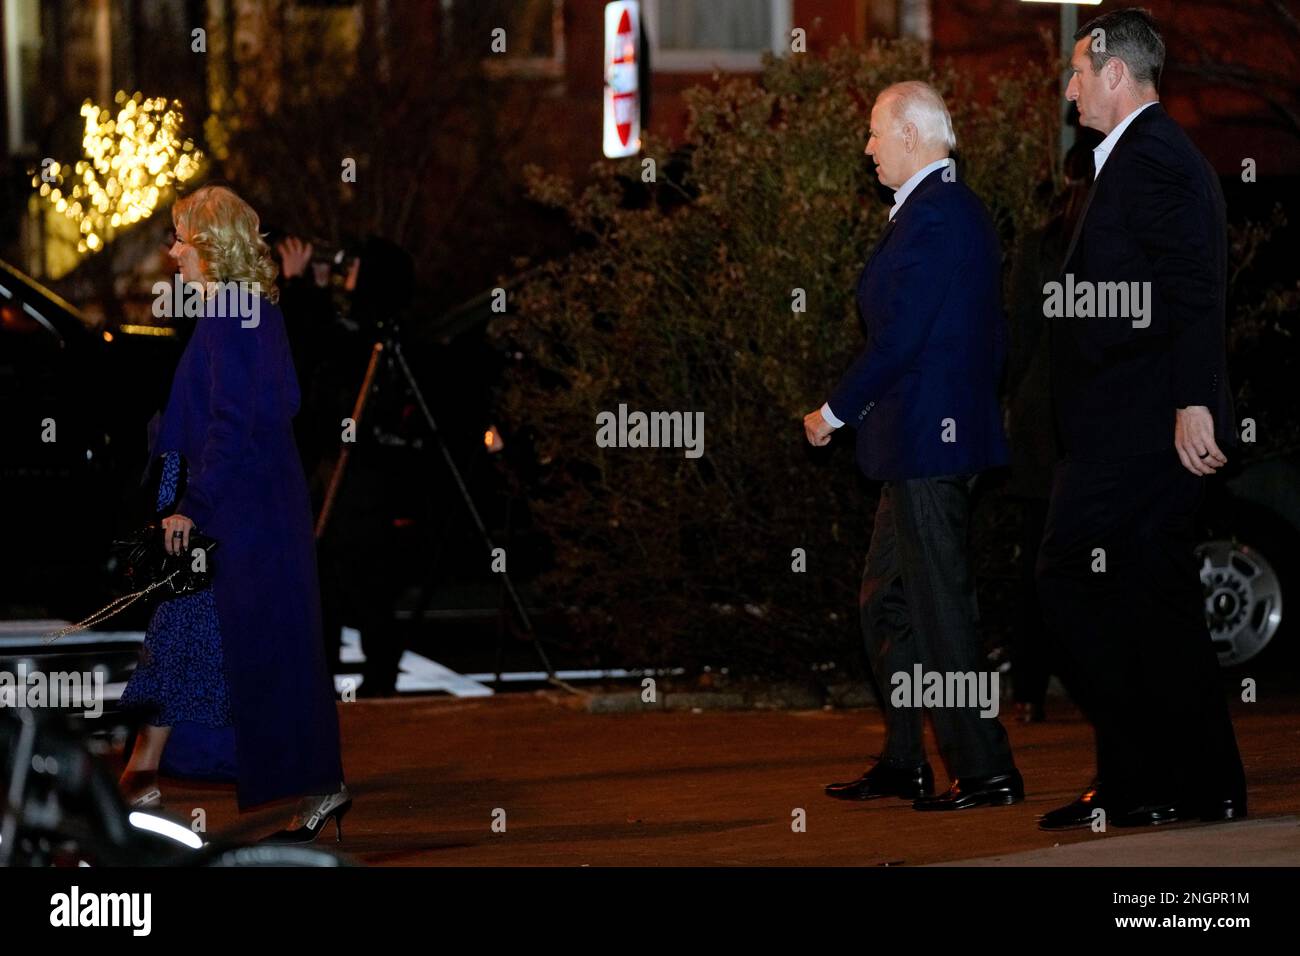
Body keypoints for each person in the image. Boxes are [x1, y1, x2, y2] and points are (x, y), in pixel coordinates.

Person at [1035, 8, 1246, 830]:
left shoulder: (1151, 158)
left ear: (1115, 73)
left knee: (1070, 584)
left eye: (1079, 74)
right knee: (1152, 601)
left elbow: (1193, 285)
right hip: (1137, 423)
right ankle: (1201, 783)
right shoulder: (1130, 160)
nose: (1069, 88)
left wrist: (1194, 400)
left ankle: (1143, 777)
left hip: (1142, 427)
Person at [805, 81, 1022, 811]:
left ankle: (987, 769)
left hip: (932, 444)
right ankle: (906, 760)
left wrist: (833, 411)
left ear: (912, 135)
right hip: (916, 446)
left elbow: (902, 338)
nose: (867, 149)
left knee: (941, 610)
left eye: (874, 133)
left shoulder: (940, 215)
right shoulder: (932, 213)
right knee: (886, 605)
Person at [117, 184, 351, 843]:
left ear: (212, 248)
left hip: (242, 517)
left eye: (180, 240)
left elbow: (235, 422)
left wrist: (195, 504)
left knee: (251, 645)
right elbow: (265, 407)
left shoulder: (236, 313)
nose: (172, 253)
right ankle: (143, 771)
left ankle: (146, 774)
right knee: (186, 631)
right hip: (251, 512)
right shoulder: (244, 309)